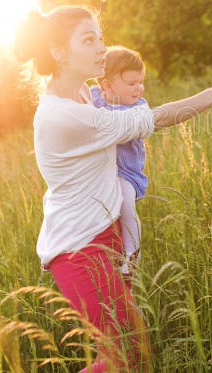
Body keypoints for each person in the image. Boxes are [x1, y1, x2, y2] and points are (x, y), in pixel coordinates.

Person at [14, 6, 212, 372]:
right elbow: (155, 118)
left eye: (100, 38)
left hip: (103, 234)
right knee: (123, 357)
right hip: (80, 250)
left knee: (134, 350)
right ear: (58, 52)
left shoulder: (83, 94)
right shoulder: (64, 115)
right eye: (87, 40)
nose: (101, 48)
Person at [88, 46, 148, 278]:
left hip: (126, 173)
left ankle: (132, 256)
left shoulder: (138, 107)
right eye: (132, 83)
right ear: (108, 85)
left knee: (126, 205)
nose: (139, 88)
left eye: (140, 82)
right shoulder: (93, 97)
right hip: (99, 172)